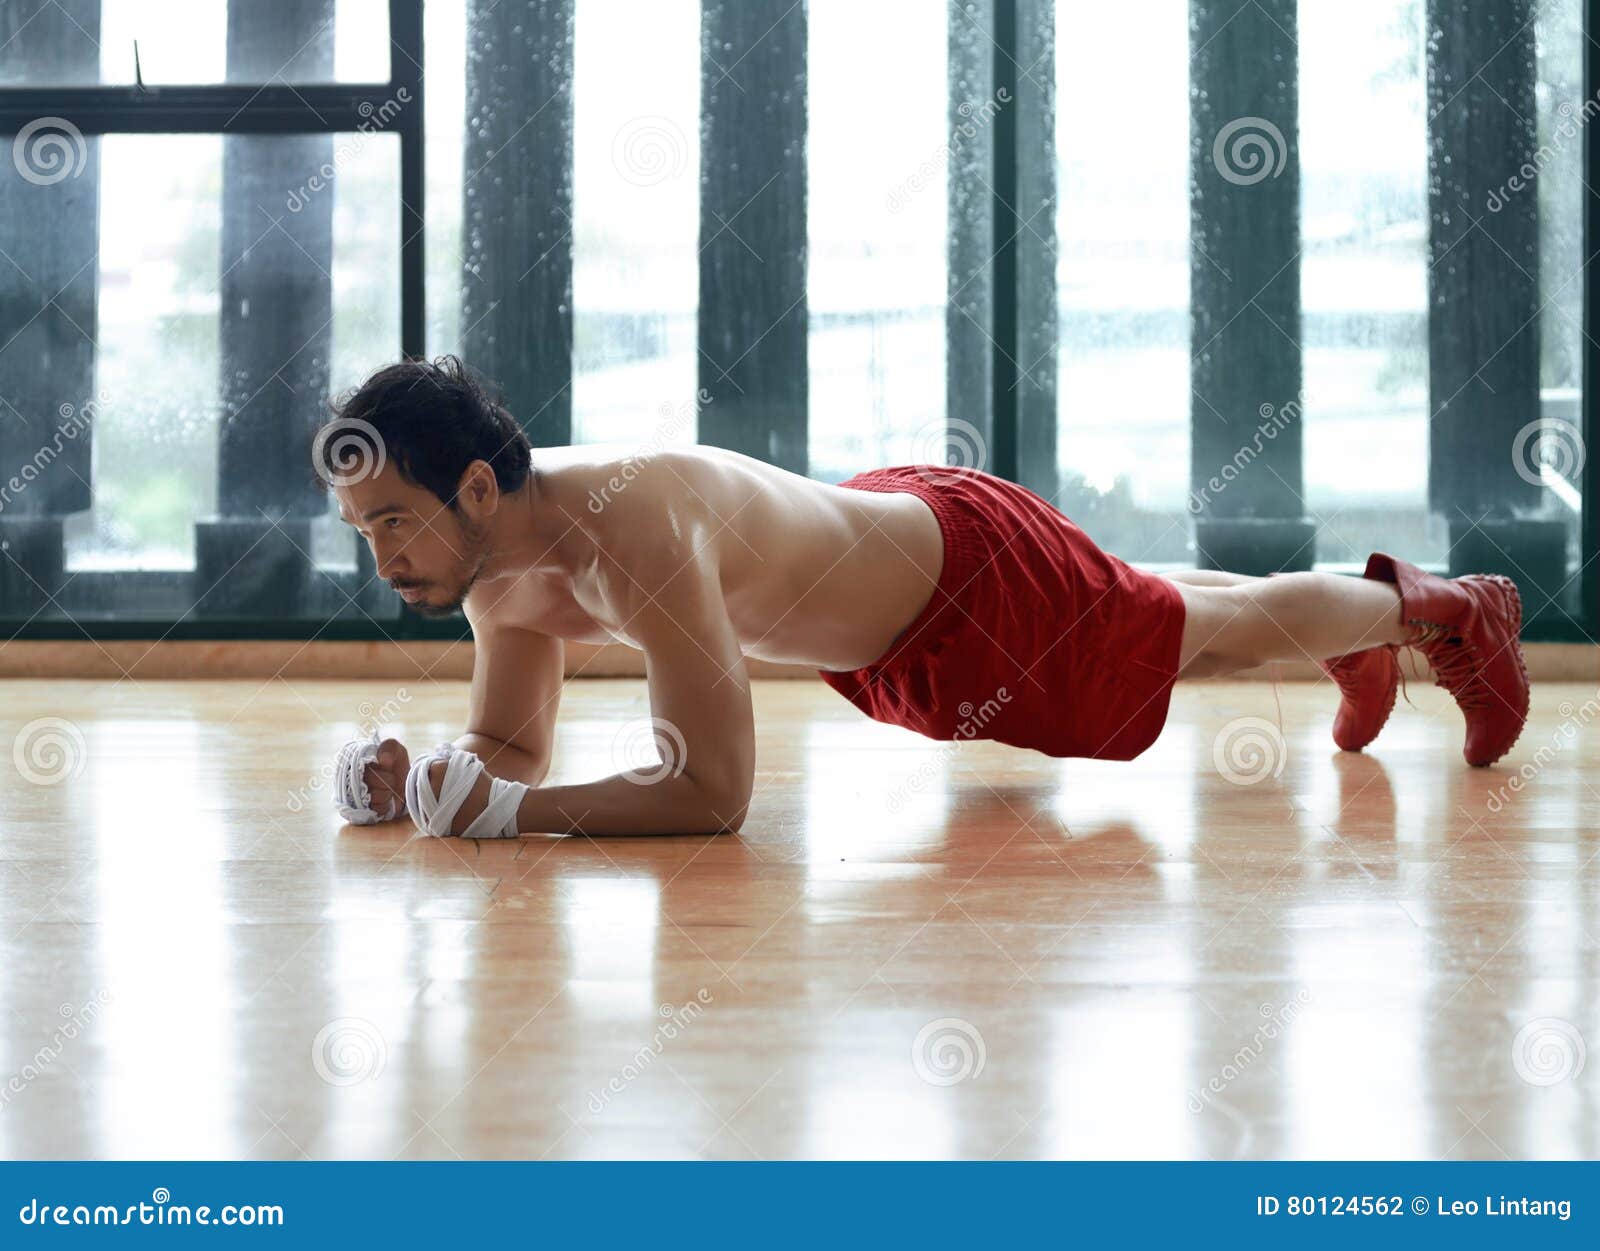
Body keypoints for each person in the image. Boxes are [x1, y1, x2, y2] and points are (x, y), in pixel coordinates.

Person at [319, 356, 1529, 838]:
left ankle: (1443, 614)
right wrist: (418, 777)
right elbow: (508, 746)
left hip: (969, 590)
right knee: (1162, 612)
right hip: (904, 585)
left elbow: (711, 794)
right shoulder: (499, 573)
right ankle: (1353, 625)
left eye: (392, 521)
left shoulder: (631, 531)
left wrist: (511, 820)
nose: (382, 558)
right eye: (363, 531)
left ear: (475, 486)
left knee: (1200, 636)